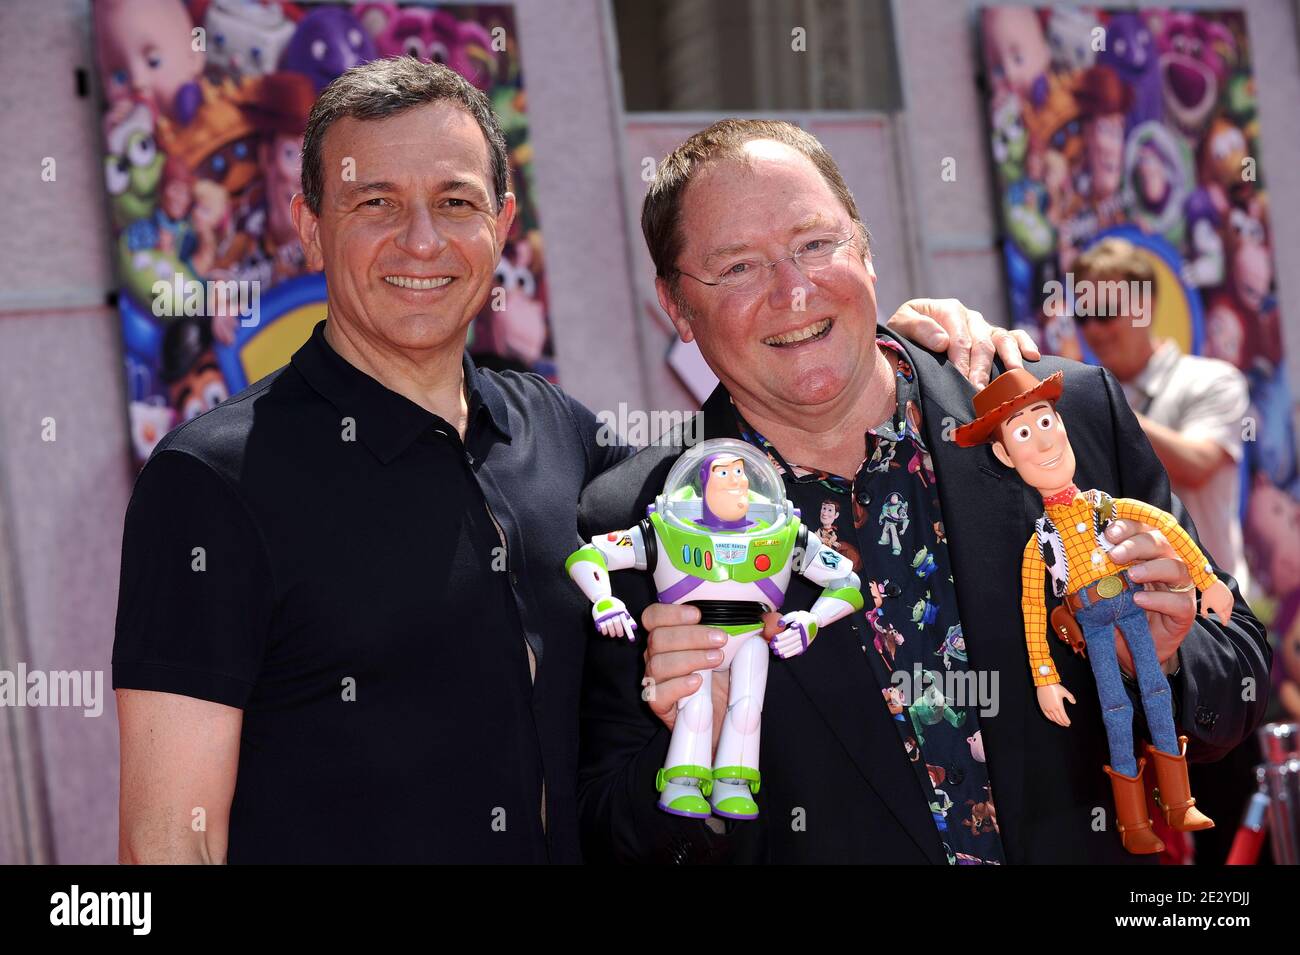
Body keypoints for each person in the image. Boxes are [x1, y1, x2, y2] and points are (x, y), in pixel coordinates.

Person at [112, 57, 1012, 863]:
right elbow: (169, 843)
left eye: (456, 201)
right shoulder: (213, 480)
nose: (421, 240)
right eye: (375, 202)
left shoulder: (564, 439)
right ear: (309, 227)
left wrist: (905, 349)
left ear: (502, 225)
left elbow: (754, 440)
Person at [576, 119, 1269, 864]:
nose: (793, 289)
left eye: (816, 243)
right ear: (676, 304)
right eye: (738, 267)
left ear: (866, 249)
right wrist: (693, 740)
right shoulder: (632, 522)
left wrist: (1163, 655)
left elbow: (1240, 680)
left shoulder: (1060, 415)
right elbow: (611, 834)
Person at [1072, 237, 1252, 596]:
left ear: (1145, 307)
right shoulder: (1083, 400)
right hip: (1125, 614)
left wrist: (1105, 403)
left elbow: (1198, 465)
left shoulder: (1213, 380)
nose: (1092, 328)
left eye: (1105, 311)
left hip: (1211, 606)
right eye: (1083, 315)